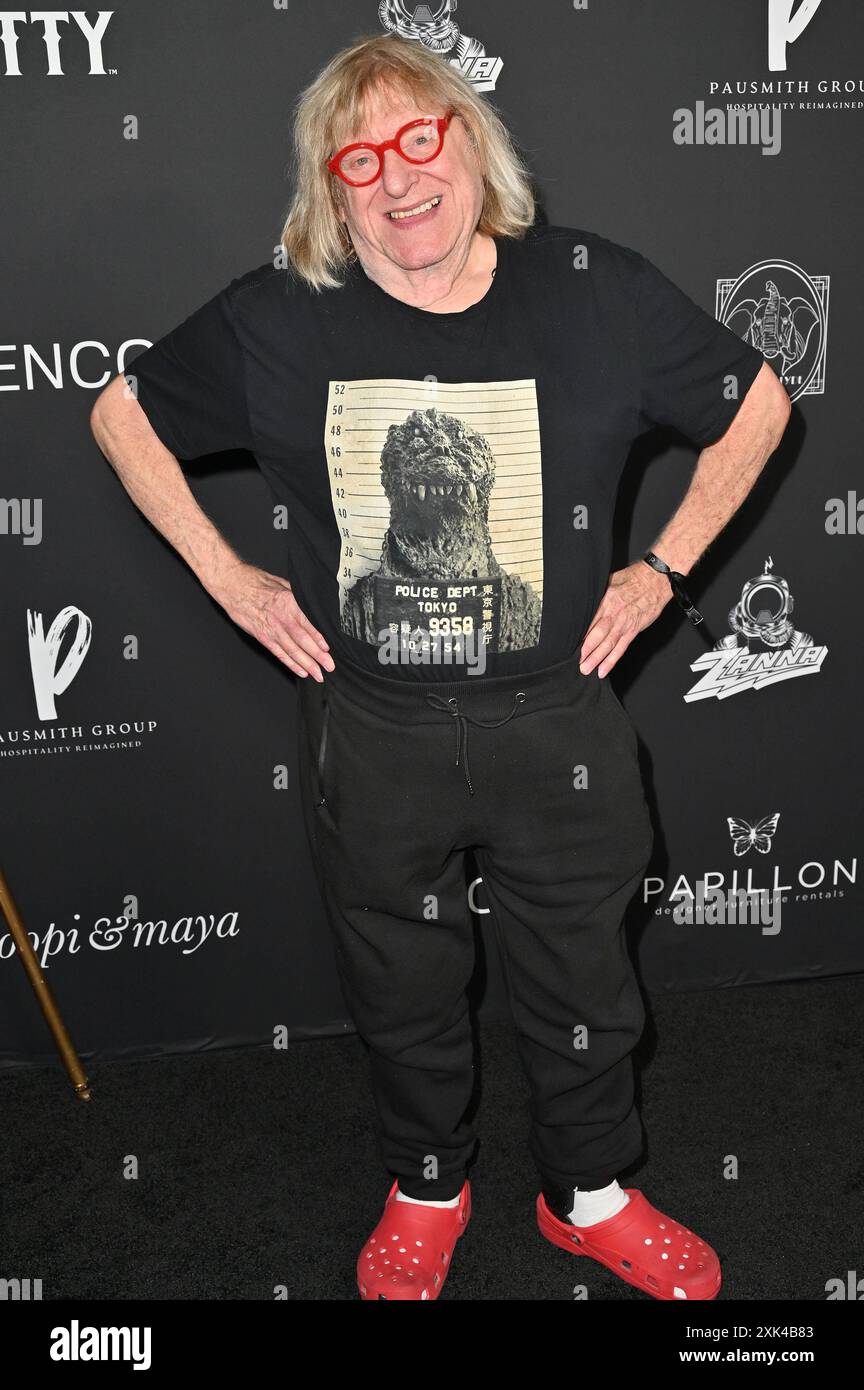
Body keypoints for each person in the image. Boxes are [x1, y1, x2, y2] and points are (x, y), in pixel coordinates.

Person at [90, 33, 791, 1301]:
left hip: (559, 721)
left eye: (423, 138)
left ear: (475, 144)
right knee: (400, 983)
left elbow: (758, 402)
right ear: (330, 189)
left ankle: (589, 1193)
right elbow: (120, 413)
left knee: (586, 978)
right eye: (359, 158)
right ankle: (427, 1183)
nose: (398, 179)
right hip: (376, 730)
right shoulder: (275, 315)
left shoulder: (596, 290)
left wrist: (665, 572)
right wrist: (225, 573)